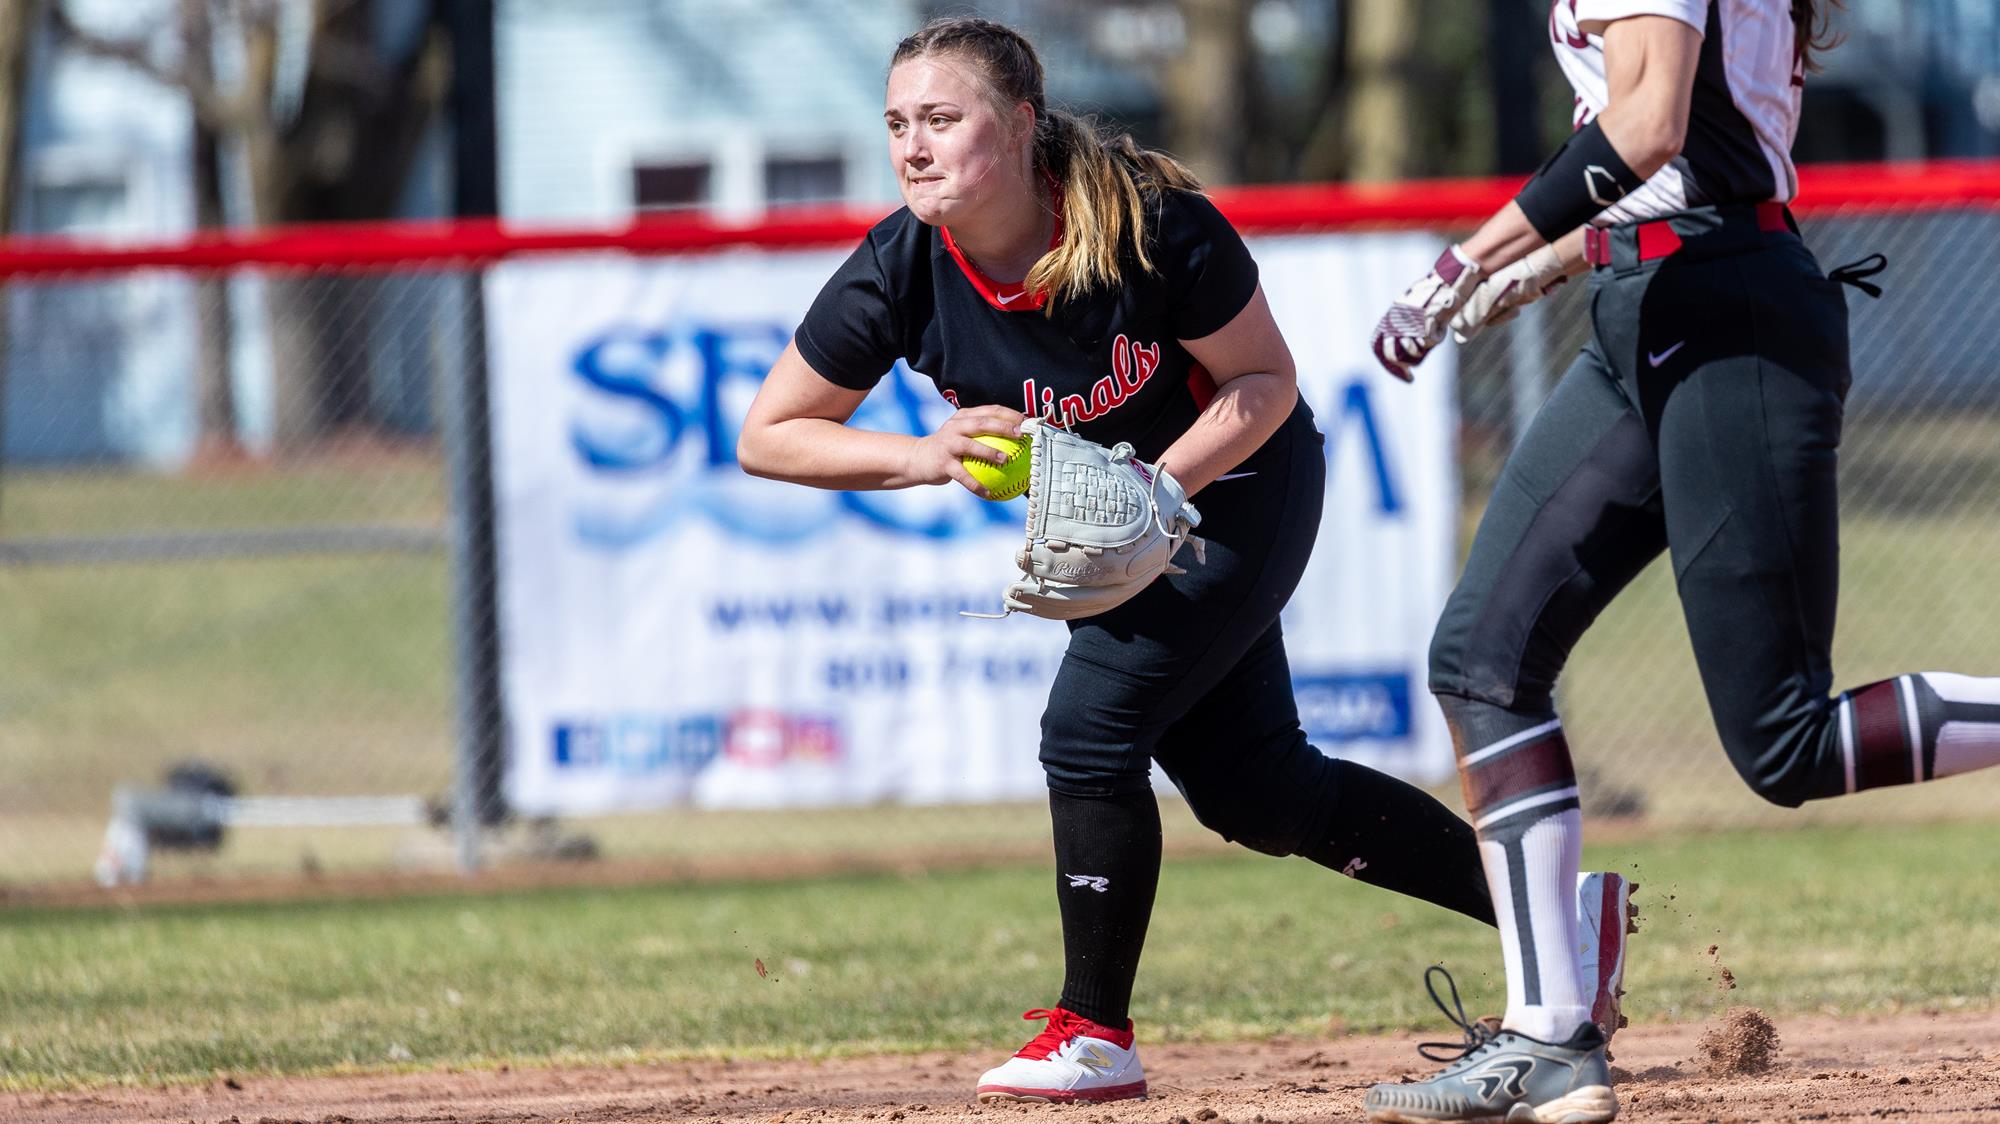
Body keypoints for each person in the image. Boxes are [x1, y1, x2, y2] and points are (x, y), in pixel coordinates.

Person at [738, 16, 1630, 1107]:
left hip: (1239, 486)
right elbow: (770, 431)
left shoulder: (1149, 224)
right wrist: (921, 454)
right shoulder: (903, 265)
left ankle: (1092, 1029)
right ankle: (1557, 920)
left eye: (940, 118)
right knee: (1260, 796)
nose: (911, 146)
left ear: (1019, 124)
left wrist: (1158, 488)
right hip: (1124, 529)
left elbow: (1263, 382)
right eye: (895, 124)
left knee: (1086, 728)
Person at [1361, 2, 2000, 1121]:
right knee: (1481, 656)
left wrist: (1466, 255)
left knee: (1782, 742)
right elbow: (1675, 155)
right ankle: (1548, 1034)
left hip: (1722, 316)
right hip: (1647, 306)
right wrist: (1562, 259)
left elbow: (1651, 126)